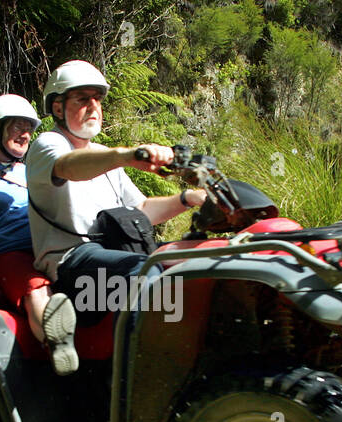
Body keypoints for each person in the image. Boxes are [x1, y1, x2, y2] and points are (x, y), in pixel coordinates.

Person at [24, 61, 207, 323]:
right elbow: (68, 167)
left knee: (196, 258)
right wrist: (126, 155)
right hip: (71, 265)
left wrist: (189, 198)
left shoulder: (102, 155)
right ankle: (143, 360)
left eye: (97, 99)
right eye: (82, 99)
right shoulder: (48, 144)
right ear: (57, 107)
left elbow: (141, 210)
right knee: (143, 270)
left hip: (113, 252)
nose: (94, 107)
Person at [0, 94, 79, 375]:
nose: (24, 135)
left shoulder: (34, 171)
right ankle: (57, 347)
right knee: (36, 285)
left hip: (48, 246)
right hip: (7, 254)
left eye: (28, 129)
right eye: (16, 127)